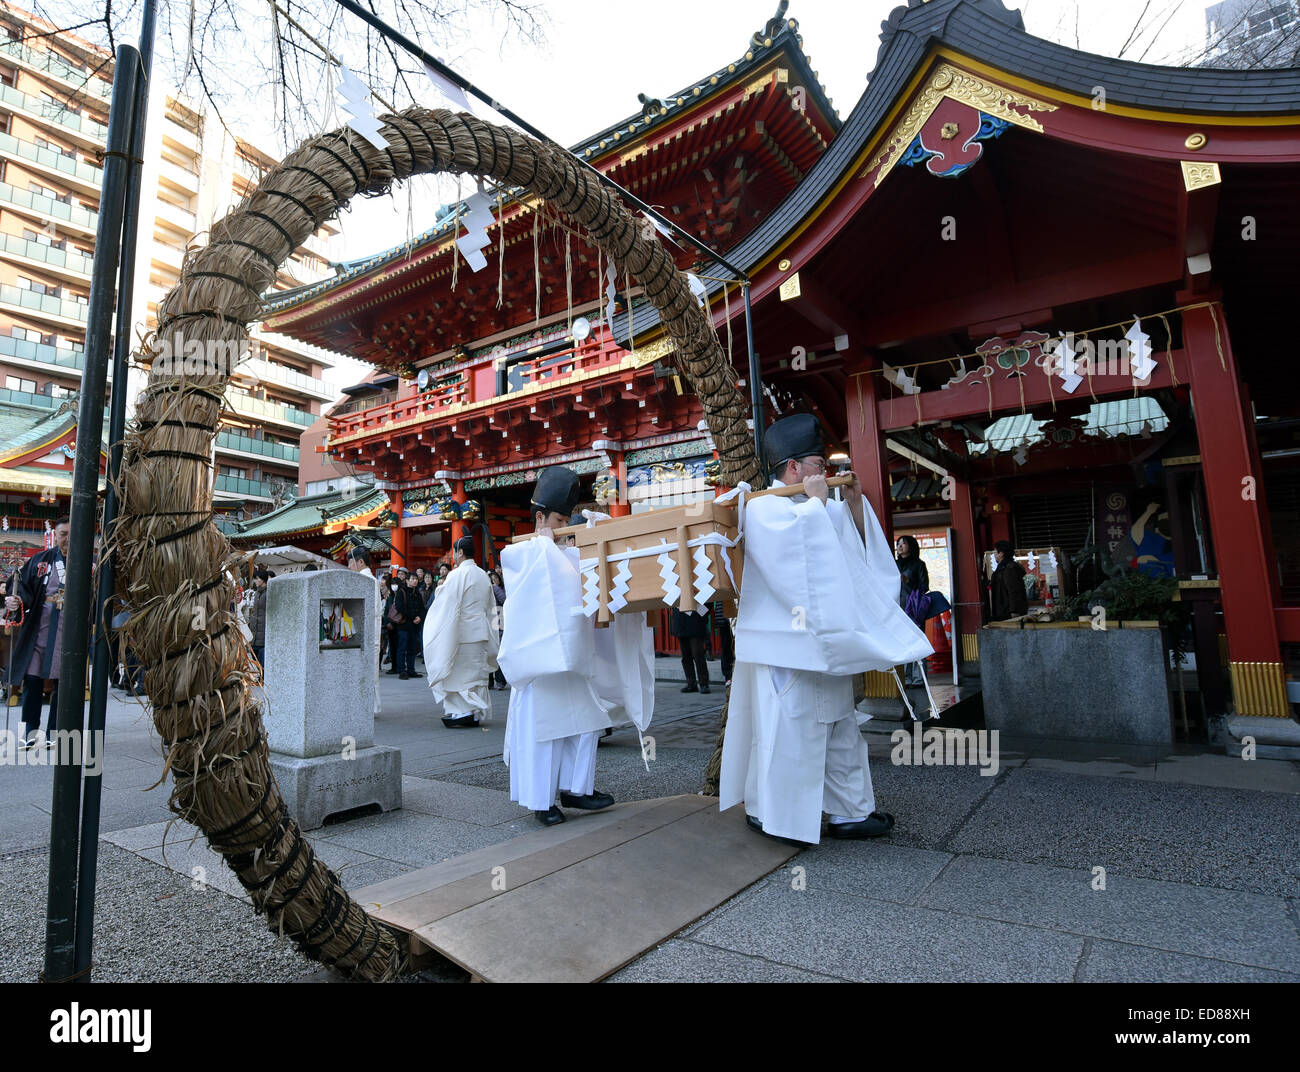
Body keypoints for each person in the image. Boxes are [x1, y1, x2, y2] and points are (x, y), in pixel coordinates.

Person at [720, 414, 933, 846]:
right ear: (793, 467)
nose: (825, 471)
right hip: (789, 650)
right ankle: (778, 817)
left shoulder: (818, 506)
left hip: (827, 646)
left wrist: (852, 504)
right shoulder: (765, 508)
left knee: (842, 731)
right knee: (791, 734)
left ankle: (850, 813)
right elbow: (793, 567)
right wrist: (818, 507)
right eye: (818, 464)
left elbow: (859, 560)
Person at [498, 466, 655, 826]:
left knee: (586, 723)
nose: (564, 527)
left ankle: (576, 788)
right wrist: (555, 544)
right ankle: (541, 800)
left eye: (567, 521)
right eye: (558, 520)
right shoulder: (524, 554)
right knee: (546, 733)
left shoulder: (561, 553)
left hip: (574, 656)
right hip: (542, 665)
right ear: (540, 518)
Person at [4, 516, 71, 748]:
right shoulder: (41, 560)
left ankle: (56, 731)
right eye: (63, 534)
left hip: (69, 631)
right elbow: (20, 585)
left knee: (63, 683)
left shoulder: (89, 562)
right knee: (32, 680)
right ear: (55, 536)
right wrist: (15, 599)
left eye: (72, 534)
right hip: (40, 628)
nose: (68, 539)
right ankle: (29, 731)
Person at [422, 536, 499, 728]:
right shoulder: (483, 575)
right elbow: (491, 607)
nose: (453, 556)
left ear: (460, 553)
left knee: (459, 675)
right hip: (481, 631)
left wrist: (439, 591)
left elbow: (447, 604)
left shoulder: (457, 575)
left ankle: (462, 712)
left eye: (454, 552)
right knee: (476, 675)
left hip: (463, 633)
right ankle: (475, 712)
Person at [347, 547, 383, 716]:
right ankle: (370, 706)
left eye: (351, 562)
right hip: (364, 631)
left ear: (360, 562)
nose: (349, 567)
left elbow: (370, 610)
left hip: (367, 632)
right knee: (366, 671)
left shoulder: (367, 580)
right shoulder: (368, 579)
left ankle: (370, 706)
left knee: (368, 671)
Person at [895, 534, 930, 686]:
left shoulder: (919, 564)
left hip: (914, 608)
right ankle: (905, 677)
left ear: (911, 546)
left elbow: (924, 586)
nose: (900, 546)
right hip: (897, 608)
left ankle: (918, 678)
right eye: (898, 543)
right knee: (902, 641)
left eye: (903, 543)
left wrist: (908, 581)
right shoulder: (893, 564)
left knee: (916, 640)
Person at [672, 606, 711, 694]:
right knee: (685, 656)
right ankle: (691, 683)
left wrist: (701, 614)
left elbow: (708, 604)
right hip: (681, 620)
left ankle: (704, 683)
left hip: (696, 620)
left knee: (698, 655)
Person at [394, 571, 424, 679]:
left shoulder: (417, 593)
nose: (415, 581)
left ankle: (411, 670)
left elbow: (422, 608)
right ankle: (402, 671)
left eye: (416, 579)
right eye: (412, 579)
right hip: (404, 625)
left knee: (412, 649)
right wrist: (413, 617)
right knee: (402, 648)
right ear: (407, 581)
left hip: (414, 626)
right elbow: (399, 607)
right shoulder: (401, 592)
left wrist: (420, 617)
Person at [990, 539, 1029, 620]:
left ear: (1001, 554)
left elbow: (1014, 590)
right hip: (1004, 610)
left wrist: (1014, 611)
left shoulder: (1009, 569)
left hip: (1008, 613)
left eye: (995, 552)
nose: (994, 555)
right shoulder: (1003, 568)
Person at [488, 569, 507, 689]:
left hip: (497, 619)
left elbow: (504, 600)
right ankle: (491, 681)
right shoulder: (488, 589)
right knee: (490, 651)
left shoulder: (496, 589)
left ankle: (498, 681)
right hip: (490, 620)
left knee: (497, 650)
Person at [249, 569, 269, 670]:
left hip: (263, 632)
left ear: (263, 580)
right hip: (254, 632)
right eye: (255, 579)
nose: (255, 581)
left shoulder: (268, 593)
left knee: (262, 662)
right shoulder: (257, 593)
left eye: (257, 579)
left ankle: (263, 676)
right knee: (254, 660)